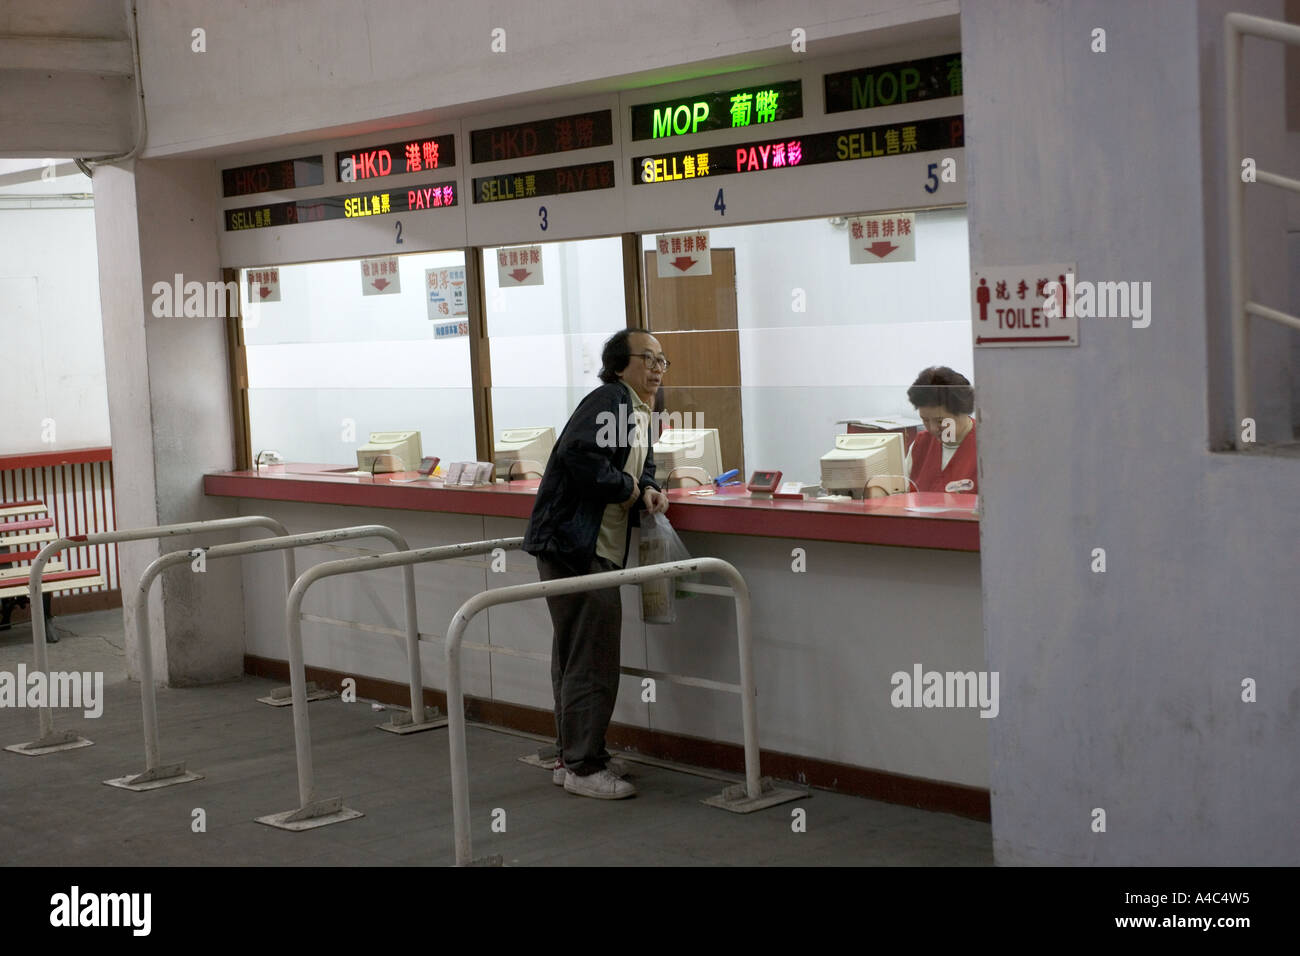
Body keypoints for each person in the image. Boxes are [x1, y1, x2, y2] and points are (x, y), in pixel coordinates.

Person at [523, 328, 671, 799]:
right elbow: (580, 455)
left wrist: (645, 484)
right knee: (592, 654)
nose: (657, 367)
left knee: (576, 652)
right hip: (576, 546)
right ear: (619, 363)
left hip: (589, 546)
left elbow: (634, 462)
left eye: (662, 359)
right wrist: (627, 490)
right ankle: (585, 767)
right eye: (647, 357)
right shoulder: (610, 399)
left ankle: (575, 756)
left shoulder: (639, 410)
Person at [904, 366, 978, 494]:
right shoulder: (920, 445)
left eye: (940, 421)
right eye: (925, 420)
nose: (932, 429)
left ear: (963, 411)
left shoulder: (988, 447)